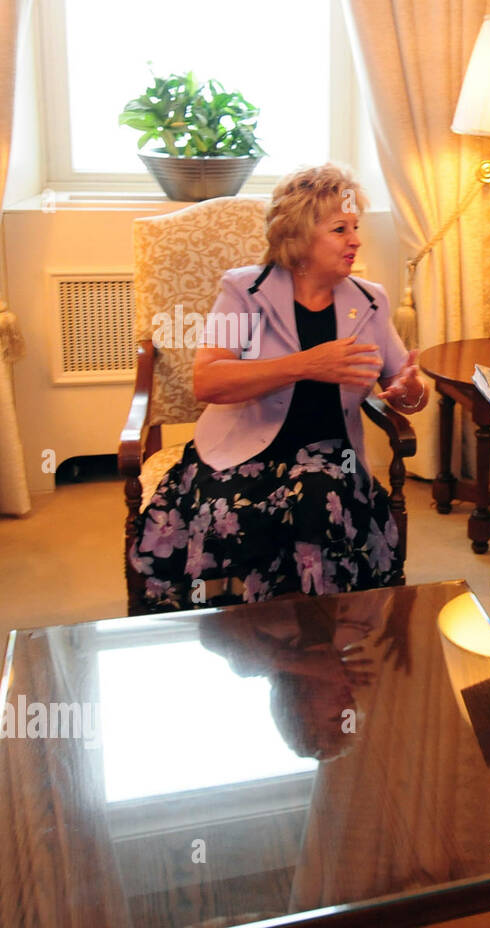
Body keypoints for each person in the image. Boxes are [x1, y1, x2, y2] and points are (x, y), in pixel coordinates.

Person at [131, 164, 428, 612]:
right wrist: (307, 364)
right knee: (239, 514)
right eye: (339, 229)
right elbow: (208, 380)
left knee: (318, 494)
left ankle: (314, 636)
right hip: (241, 451)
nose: (356, 240)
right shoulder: (244, 291)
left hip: (332, 453)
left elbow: (401, 390)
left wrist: (410, 390)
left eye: (356, 227)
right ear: (299, 236)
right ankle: (264, 634)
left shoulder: (370, 299)